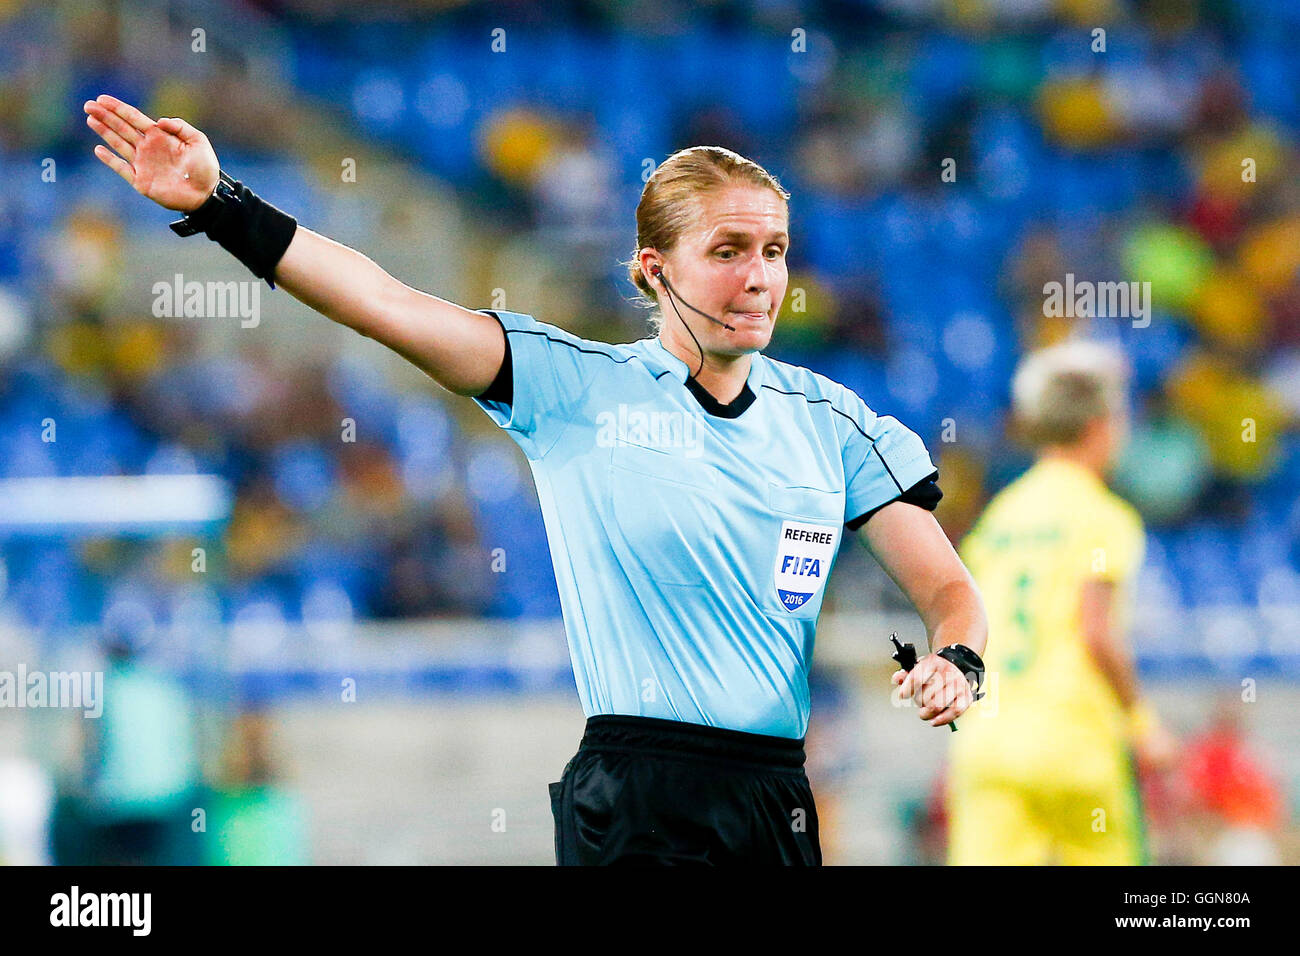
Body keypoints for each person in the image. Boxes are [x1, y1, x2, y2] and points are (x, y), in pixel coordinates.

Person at [83, 94, 988, 865]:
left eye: (775, 250)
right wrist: (222, 204)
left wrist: (959, 658)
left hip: (776, 799)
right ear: (654, 269)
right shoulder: (574, 387)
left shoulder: (830, 423)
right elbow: (386, 305)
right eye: (727, 251)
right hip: (633, 793)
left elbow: (947, 586)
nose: (760, 278)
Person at [946, 339, 1179, 866]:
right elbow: (1096, 631)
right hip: (1076, 747)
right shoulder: (1101, 515)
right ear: (1101, 424)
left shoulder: (999, 518)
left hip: (989, 745)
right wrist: (1144, 726)